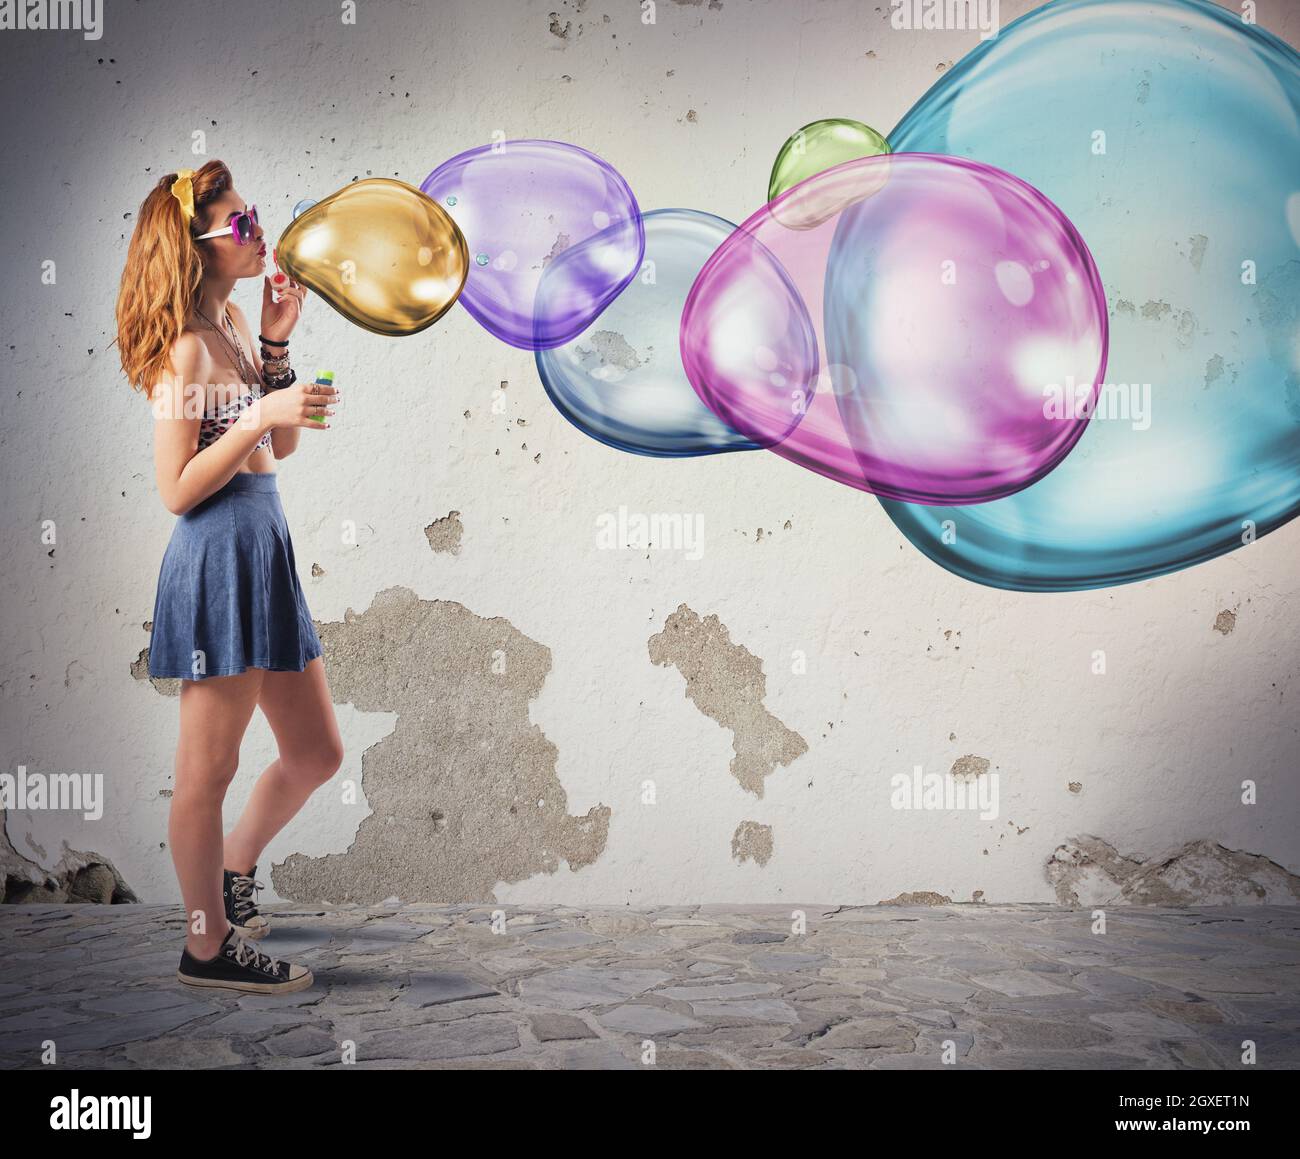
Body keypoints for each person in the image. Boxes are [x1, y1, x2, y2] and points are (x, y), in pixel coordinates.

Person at [115, 160, 343, 993]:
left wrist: (278, 348)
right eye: (241, 224)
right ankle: (205, 947)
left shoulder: (239, 326)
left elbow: (275, 449)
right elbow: (175, 489)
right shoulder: (182, 353)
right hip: (217, 560)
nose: (259, 233)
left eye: (254, 219)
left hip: (264, 545)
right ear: (195, 245)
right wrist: (260, 411)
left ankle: (234, 876)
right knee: (206, 775)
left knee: (316, 751)